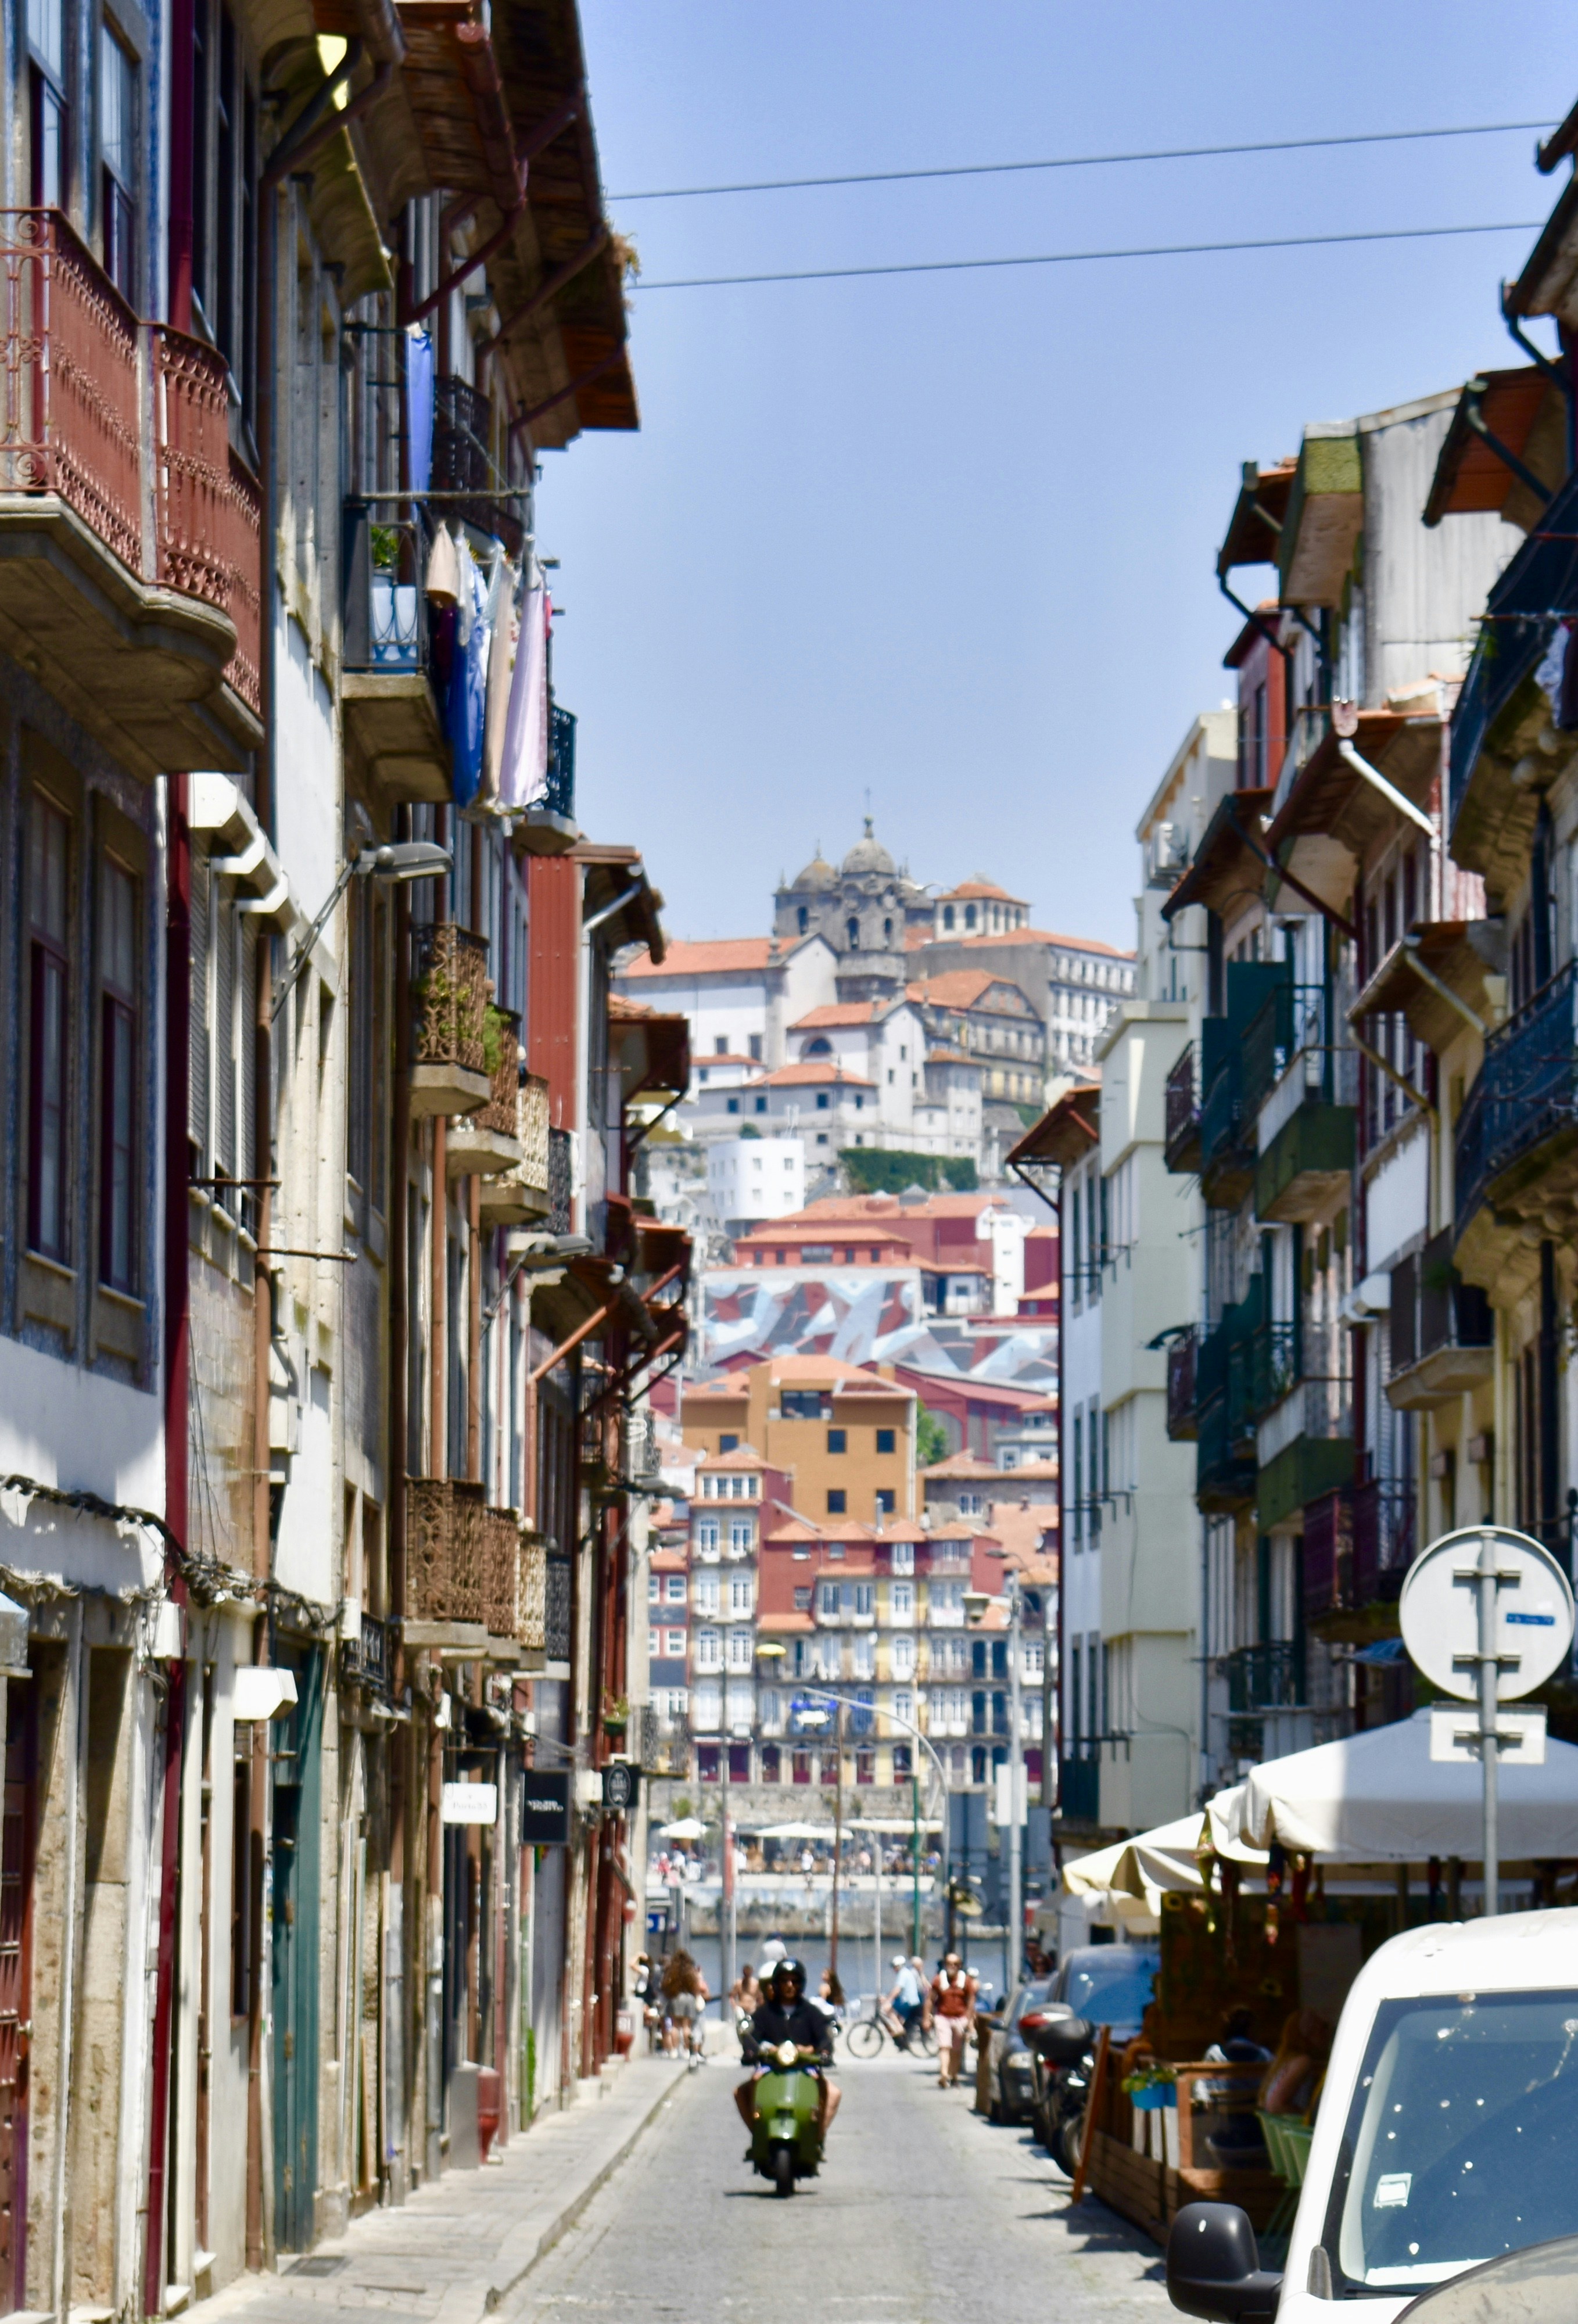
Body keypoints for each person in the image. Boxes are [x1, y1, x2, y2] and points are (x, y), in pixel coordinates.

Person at [734, 1957, 841, 2136]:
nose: (789, 1985)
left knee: (834, 2093)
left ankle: (818, 2135)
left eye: (794, 1981)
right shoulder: (765, 2013)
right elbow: (751, 2036)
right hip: (771, 2067)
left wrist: (818, 2051)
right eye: (784, 1981)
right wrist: (753, 2051)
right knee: (741, 2091)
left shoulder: (811, 2012)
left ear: (802, 1984)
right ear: (777, 1984)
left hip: (805, 2067)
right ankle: (758, 2132)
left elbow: (825, 2035)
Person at [930, 1952, 977, 2089]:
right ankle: (944, 2074)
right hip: (943, 2016)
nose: (953, 1967)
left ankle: (953, 2074)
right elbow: (931, 1999)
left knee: (956, 2049)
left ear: (960, 1966)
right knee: (944, 2046)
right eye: (950, 1964)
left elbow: (971, 2000)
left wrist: (969, 2019)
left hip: (960, 2018)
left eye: (956, 1964)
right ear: (945, 1965)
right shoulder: (939, 1980)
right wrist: (927, 2017)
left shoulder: (966, 1981)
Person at [661, 1949, 709, 2063]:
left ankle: (674, 2050)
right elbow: (696, 1986)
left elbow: (664, 1985)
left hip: (675, 1998)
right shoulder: (690, 1971)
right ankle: (686, 2050)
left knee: (675, 2026)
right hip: (689, 1998)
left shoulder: (671, 1970)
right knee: (686, 2026)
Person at [884, 1953, 924, 2043]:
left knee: (887, 2008)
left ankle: (899, 2028)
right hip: (912, 2001)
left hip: (908, 2002)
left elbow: (897, 1990)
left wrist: (887, 2000)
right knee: (897, 2013)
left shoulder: (903, 1974)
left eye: (895, 1967)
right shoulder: (906, 1972)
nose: (894, 1969)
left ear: (899, 1966)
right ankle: (901, 2035)